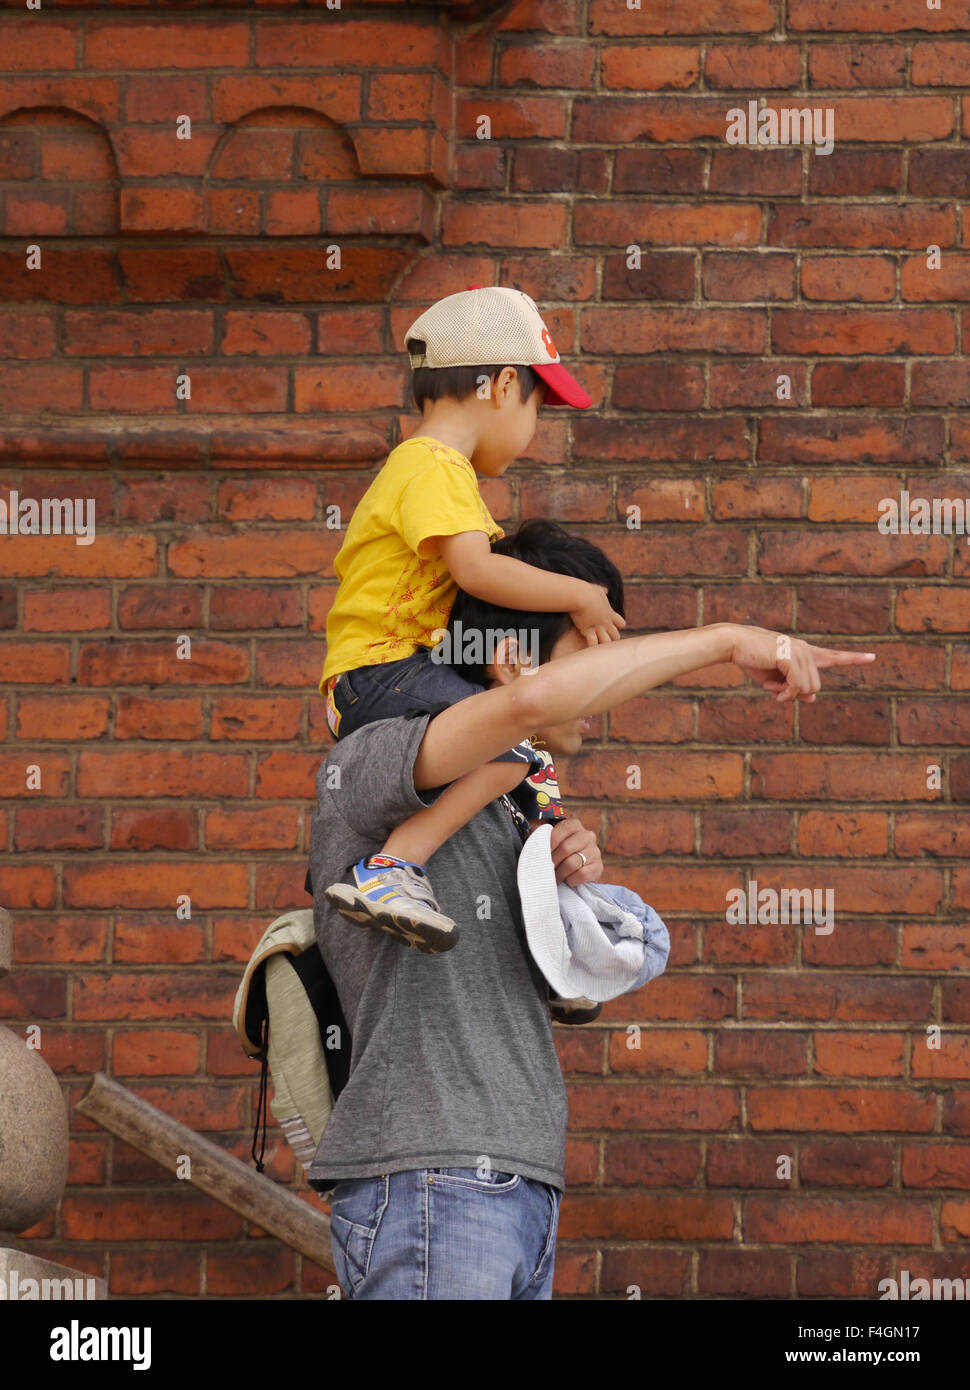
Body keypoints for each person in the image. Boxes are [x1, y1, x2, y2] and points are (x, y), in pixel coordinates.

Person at [307, 522, 877, 1300]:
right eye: (594, 663)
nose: (604, 694)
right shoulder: (376, 758)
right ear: (512, 658)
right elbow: (533, 703)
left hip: (521, 1185)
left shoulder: (516, 804)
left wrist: (561, 891)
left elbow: (531, 993)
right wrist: (725, 639)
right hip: (430, 1181)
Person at [319, 286, 626, 952]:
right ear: (505, 384)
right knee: (509, 742)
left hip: (398, 671)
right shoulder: (432, 466)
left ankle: (568, 922)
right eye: (539, 405)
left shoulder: (432, 472)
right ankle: (393, 869)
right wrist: (578, 596)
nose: (535, 428)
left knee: (526, 762)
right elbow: (477, 573)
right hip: (381, 674)